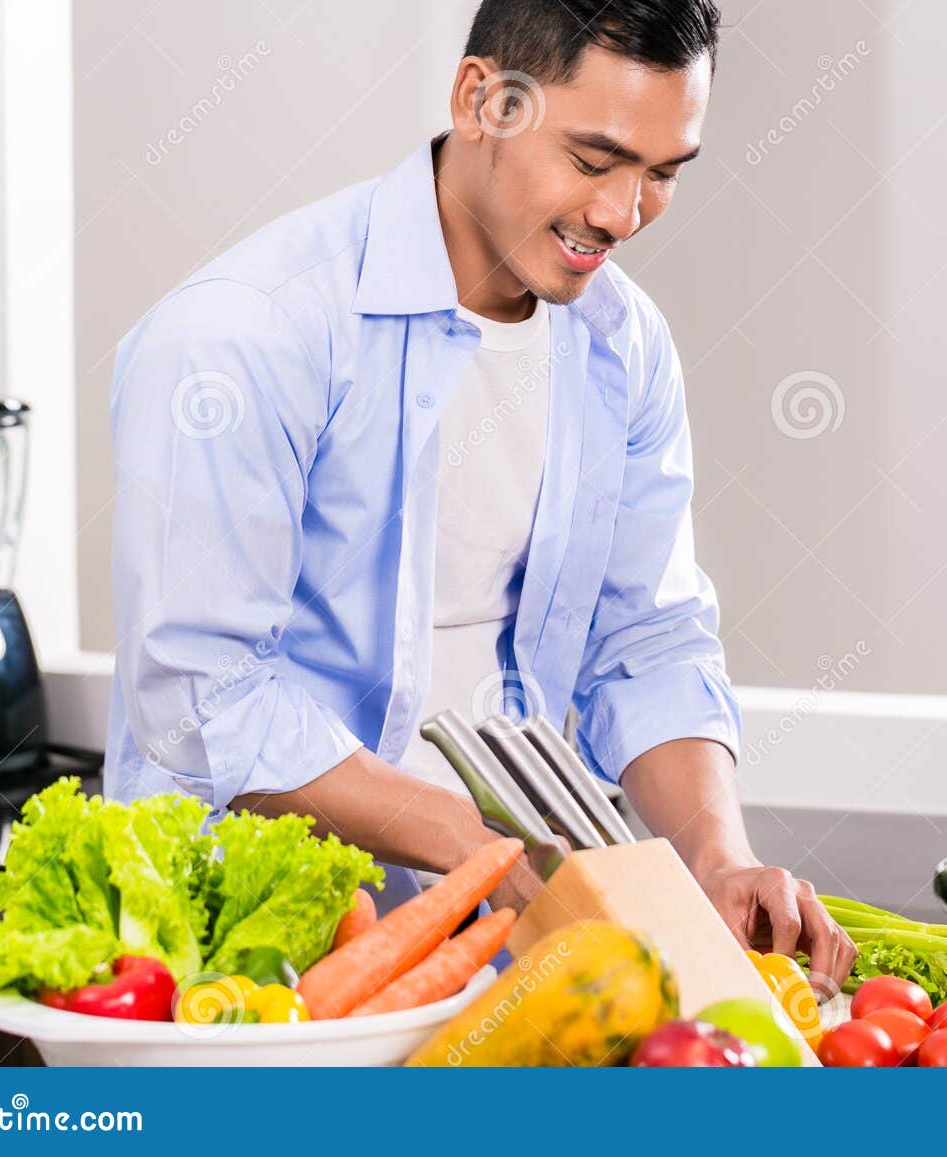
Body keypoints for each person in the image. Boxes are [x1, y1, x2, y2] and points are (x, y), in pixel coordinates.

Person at [105, 0, 855, 990]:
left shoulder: (621, 346)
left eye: (662, 174)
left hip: (521, 959)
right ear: (483, 101)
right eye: (593, 161)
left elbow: (647, 639)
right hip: (259, 965)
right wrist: (491, 847)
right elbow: (205, 694)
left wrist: (715, 858)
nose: (621, 215)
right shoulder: (241, 337)